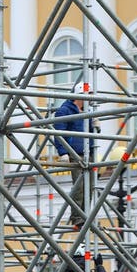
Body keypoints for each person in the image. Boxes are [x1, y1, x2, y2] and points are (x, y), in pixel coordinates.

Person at [53, 81, 98, 227]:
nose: (90, 99)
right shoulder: (65, 111)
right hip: (74, 152)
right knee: (79, 187)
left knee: (90, 187)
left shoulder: (88, 111)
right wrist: (63, 152)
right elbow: (59, 133)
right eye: (88, 95)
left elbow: (91, 133)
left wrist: (96, 127)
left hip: (88, 151)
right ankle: (77, 217)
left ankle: (85, 215)